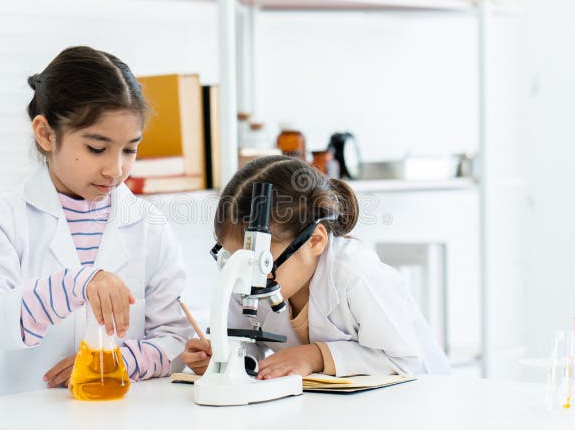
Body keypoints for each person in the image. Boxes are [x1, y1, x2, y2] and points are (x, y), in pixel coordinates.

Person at [0, 46, 191, 402]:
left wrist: (113, 361)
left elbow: (175, 340)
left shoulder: (148, 225)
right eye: (97, 149)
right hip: (21, 429)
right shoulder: (7, 217)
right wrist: (75, 283)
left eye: (130, 149)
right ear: (46, 134)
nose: (115, 169)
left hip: (116, 425)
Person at [182, 155, 449, 378]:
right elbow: (247, 348)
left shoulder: (356, 275)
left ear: (315, 241)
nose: (247, 282)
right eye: (234, 260)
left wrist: (316, 356)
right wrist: (221, 358)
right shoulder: (250, 279)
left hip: (414, 406)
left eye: (261, 264)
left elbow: (405, 362)